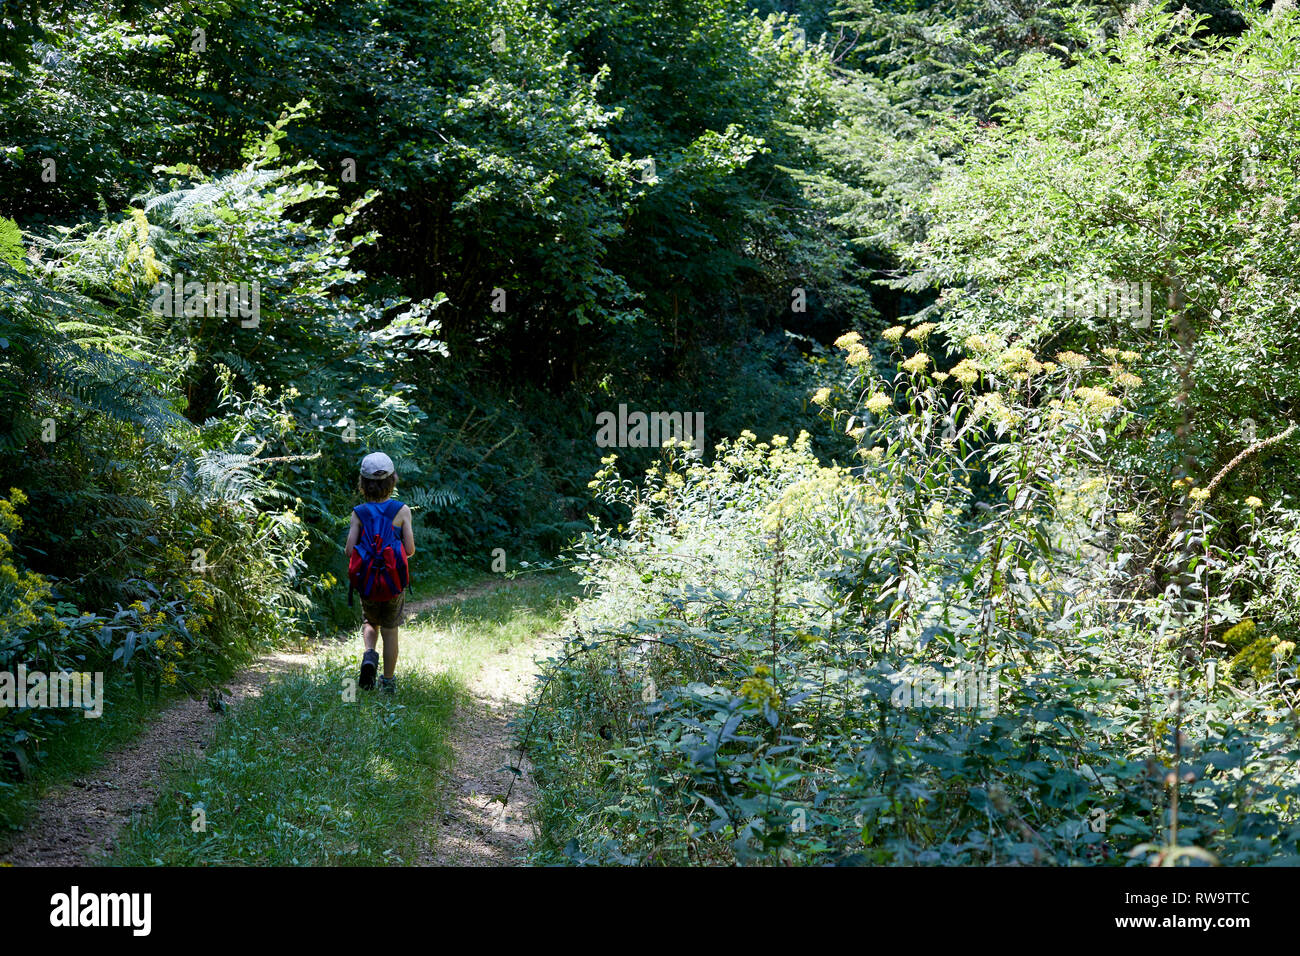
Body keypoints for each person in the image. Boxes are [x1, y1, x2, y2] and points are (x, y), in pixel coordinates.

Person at [344, 452, 415, 693]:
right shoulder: (402, 510)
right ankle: (388, 682)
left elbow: (349, 550)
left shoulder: (359, 513)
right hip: (393, 583)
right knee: (391, 629)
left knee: (370, 621)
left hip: (368, 583)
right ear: (392, 480)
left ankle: (369, 655)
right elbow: (410, 550)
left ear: (363, 484)